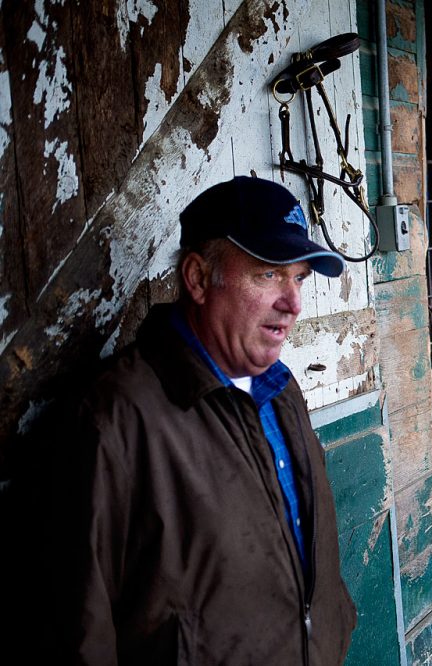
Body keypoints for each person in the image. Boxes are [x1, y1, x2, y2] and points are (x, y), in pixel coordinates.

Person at [52, 176, 357, 664]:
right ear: (197, 278)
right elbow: (79, 633)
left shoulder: (281, 389)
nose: (294, 302)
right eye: (267, 274)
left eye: (298, 277)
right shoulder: (116, 420)